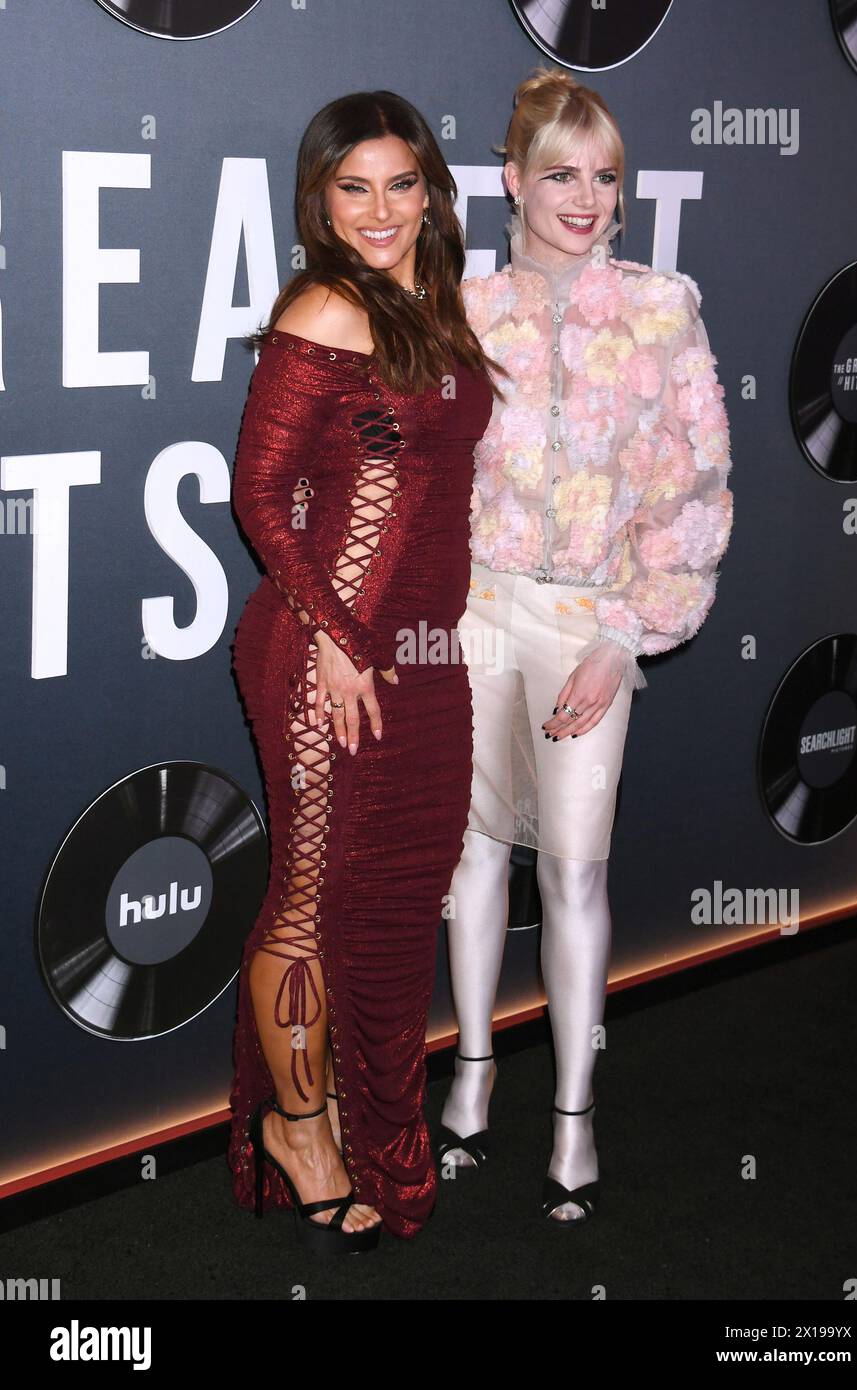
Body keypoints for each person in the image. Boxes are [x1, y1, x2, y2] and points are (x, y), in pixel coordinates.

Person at [437, 68, 734, 1223]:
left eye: (604, 175)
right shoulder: (463, 314)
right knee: (468, 855)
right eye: (559, 172)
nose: (585, 196)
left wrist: (625, 636)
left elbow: (694, 492)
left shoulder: (664, 307)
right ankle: (469, 1074)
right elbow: (428, 491)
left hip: (587, 628)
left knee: (571, 866)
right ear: (510, 180)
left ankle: (572, 1113)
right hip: (468, 618)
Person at [227, 90, 496, 1251]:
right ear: (319, 203)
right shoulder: (330, 306)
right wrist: (337, 635)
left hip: (418, 656)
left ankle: (350, 1110)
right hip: (324, 651)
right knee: (308, 893)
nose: (380, 208)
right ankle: (300, 1127)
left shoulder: (429, 303)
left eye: (400, 182)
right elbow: (260, 499)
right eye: (354, 187)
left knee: (381, 902)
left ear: (430, 188)